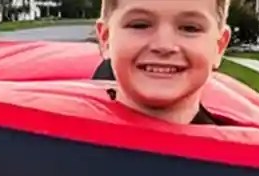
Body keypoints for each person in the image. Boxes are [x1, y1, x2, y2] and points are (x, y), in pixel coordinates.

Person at [93, 0, 233, 126]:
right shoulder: (73, 141)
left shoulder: (236, 152)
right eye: (140, 25)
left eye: (190, 28)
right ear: (106, 39)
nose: (164, 46)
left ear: (219, 46)